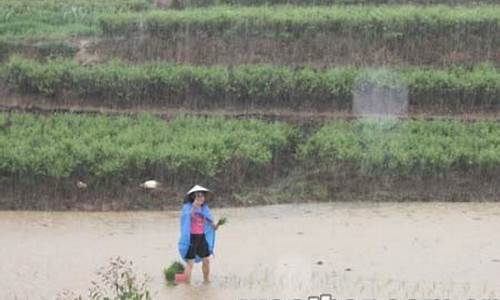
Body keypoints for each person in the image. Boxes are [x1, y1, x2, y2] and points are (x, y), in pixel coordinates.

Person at [178, 185, 220, 283]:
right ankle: (186, 285)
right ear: (193, 197)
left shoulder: (204, 209)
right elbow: (190, 217)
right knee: (190, 263)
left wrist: (216, 225)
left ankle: (206, 281)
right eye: (198, 196)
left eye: (202, 196)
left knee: (206, 260)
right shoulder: (188, 208)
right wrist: (194, 207)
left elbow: (211, 224)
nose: (201, 198)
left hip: (202, 238)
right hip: (192, 238)